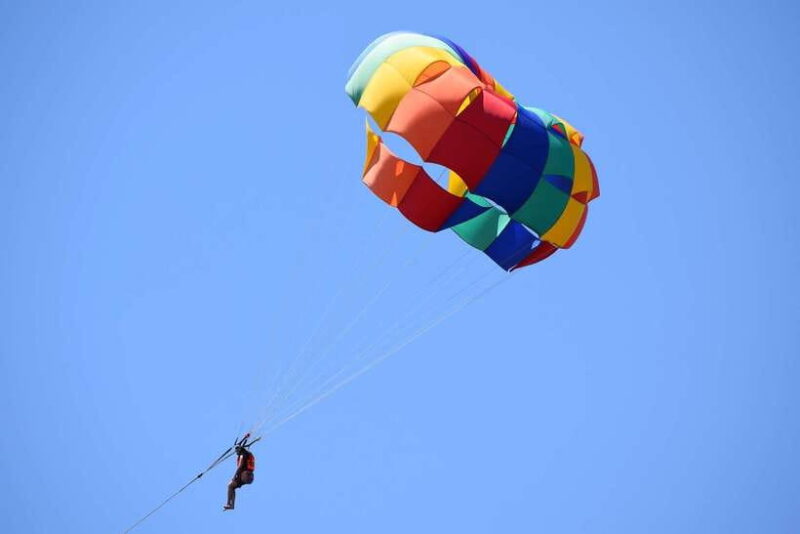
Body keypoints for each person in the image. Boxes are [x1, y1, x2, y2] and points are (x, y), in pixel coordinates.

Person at [223, 444, 255, 511]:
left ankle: (229, 503)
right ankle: (231, 506)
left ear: (240, 450)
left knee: (230, 485)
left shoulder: (242, 455)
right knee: (232, 487)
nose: (236, 453)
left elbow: (240, 467)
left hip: (246, 475)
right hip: (249, 477)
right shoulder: (247, 454)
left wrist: (234, 477)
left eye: (237, 451)